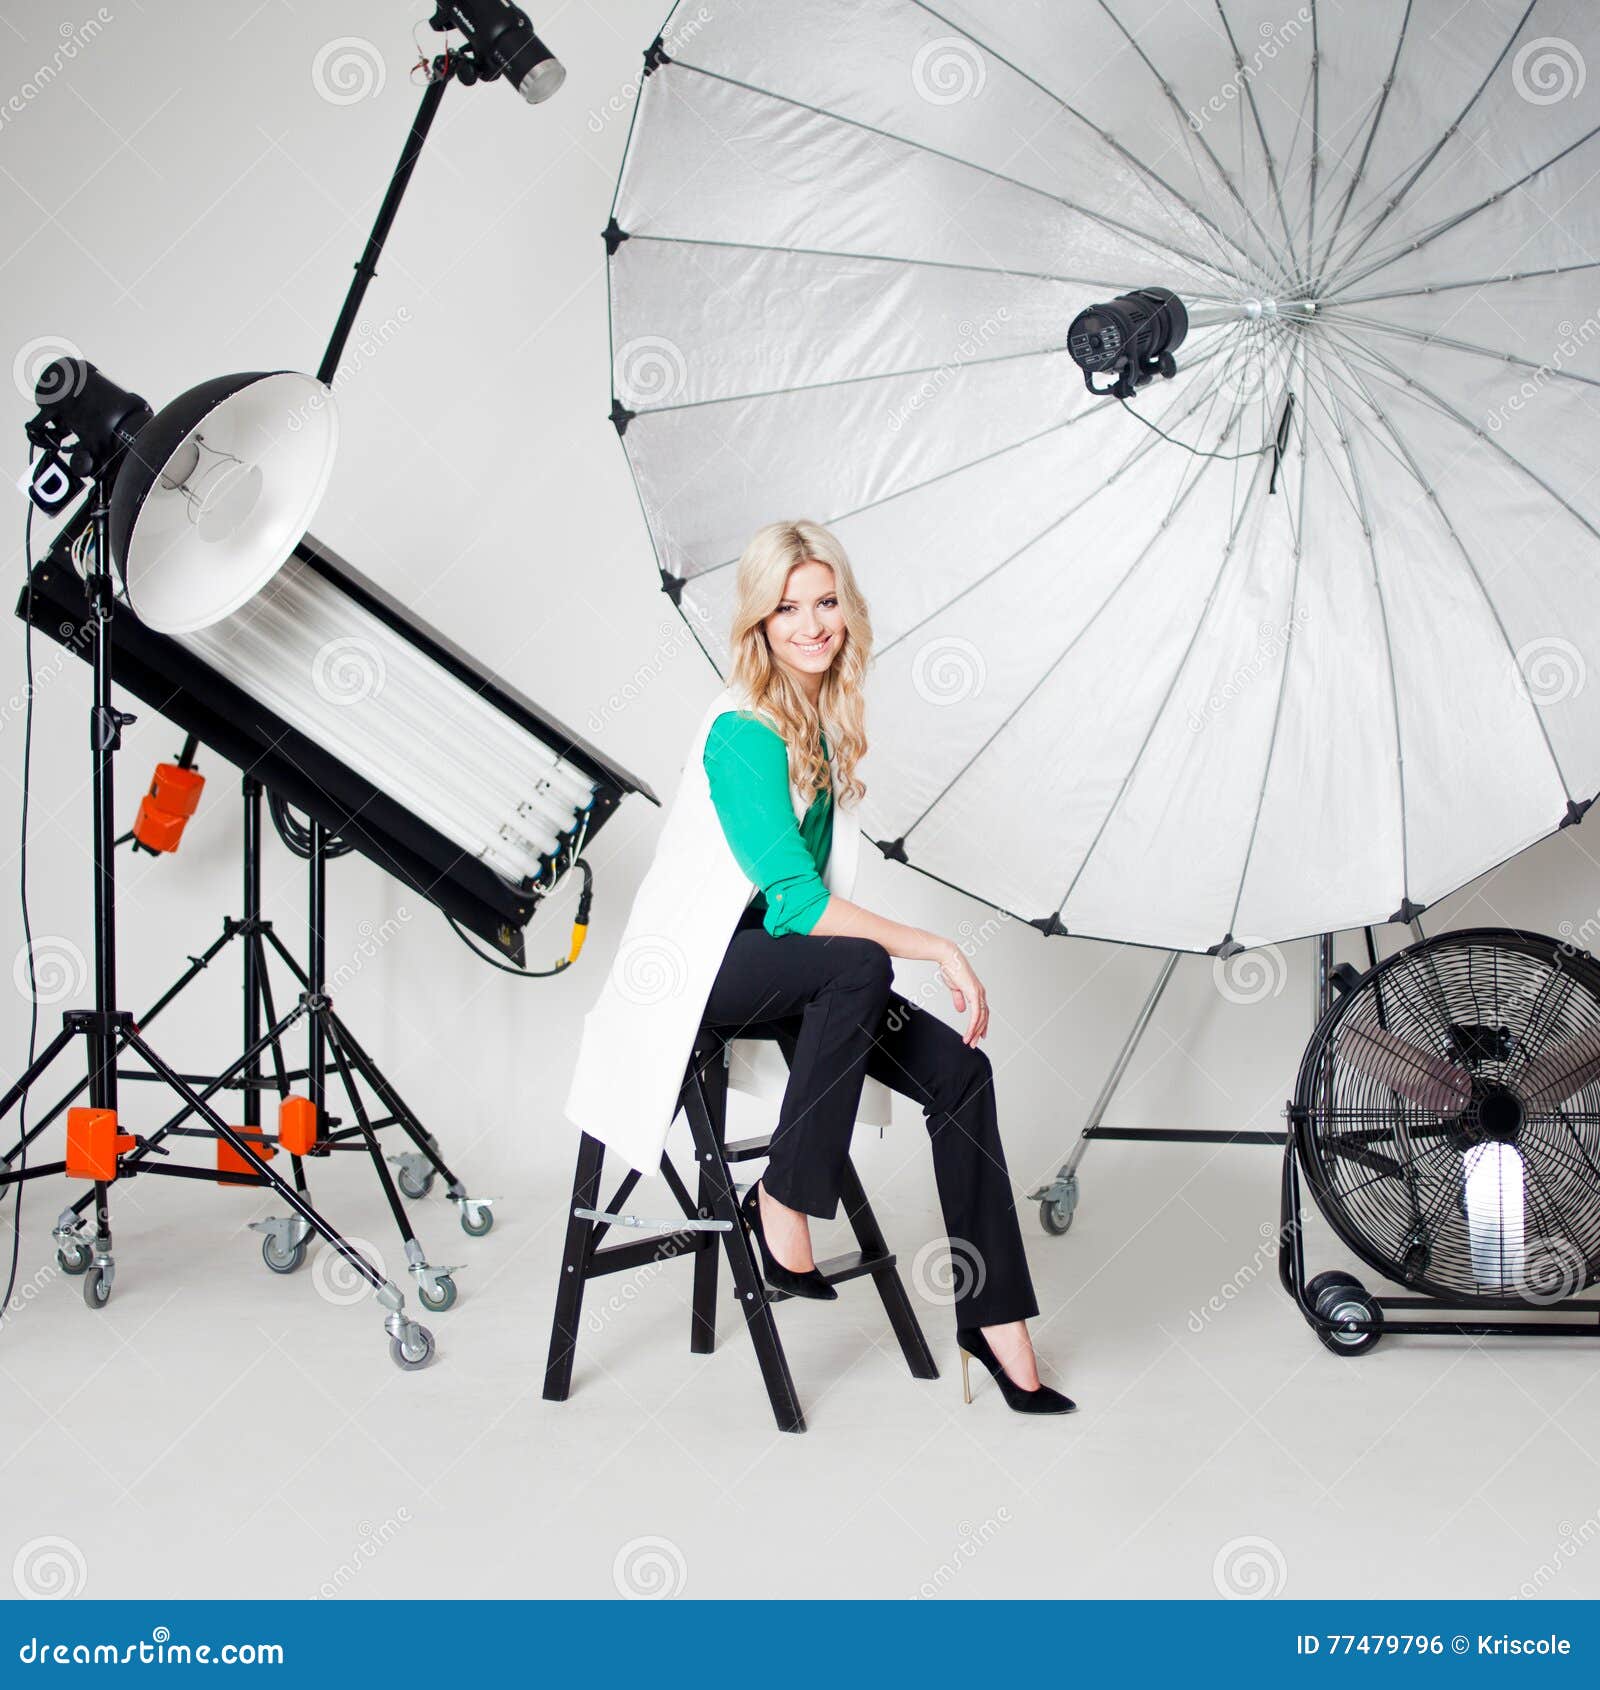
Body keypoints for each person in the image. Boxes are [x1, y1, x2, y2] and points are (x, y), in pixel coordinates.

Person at [694, 519, 1073, 1415]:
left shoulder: (817, 729)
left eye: (826, 602)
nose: (811, 624)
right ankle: (783, 1202)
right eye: (787, 607)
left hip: (806, 976)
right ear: (758, 622)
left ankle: (995, 1319)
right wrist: (940, 948)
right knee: (860, 962)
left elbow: (812, 928)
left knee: (962, 1074)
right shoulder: (741, 733)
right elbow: (798, 906)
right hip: (710, 970)